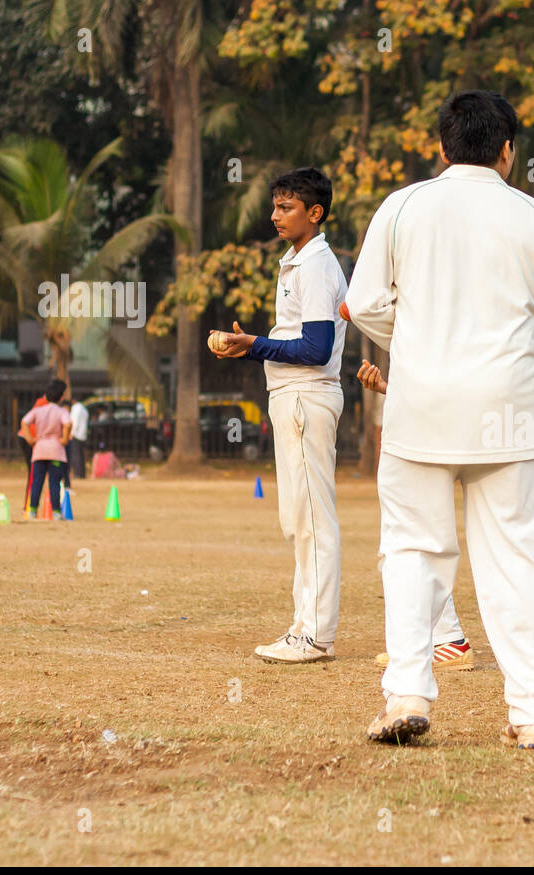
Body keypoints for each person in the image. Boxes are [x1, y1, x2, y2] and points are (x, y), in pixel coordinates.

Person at [344, 90, 534, 750]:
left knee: (412, 552)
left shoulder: (401, 208)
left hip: (420, 404)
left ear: (440, 146)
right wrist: (517, 349)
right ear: (509, 150)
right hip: (508, 408)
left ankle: (407, 692)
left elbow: (363, 302)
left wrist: (421, 342)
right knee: (517, 560)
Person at [210, 167, 348, 665]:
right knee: (297, 517)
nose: (275, 215)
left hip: (306, 396)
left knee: (311, 518)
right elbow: (295, 341)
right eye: (274, 206)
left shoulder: (315, 266)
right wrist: (248, 350)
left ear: (315, 213)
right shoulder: (296, 262)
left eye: (286, 207)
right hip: (291, 396)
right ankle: (304, 628)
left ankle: (314, 635)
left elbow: (315, 348)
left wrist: (252, 344)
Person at [357, 358, 475, 671]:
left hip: (429, 429)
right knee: (411, 537)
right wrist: (386, 388)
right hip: (438, 420)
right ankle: (435, 639)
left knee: (407, 540)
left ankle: (443, 639)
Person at [20, 380, 73, 519]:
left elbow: (24, 422)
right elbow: (68, 424)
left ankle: (32, 511)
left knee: (37, 480)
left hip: (39, 449)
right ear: (61, 397)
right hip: (56, 450)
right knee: (54, 482)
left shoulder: (38, 411)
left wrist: (30, 439)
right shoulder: (61, 411)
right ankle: (56, 512)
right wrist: (65, 439)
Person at [69, 394, 89, 480]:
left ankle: (77, 473)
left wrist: (71, 433)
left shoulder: (75, 408)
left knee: (75, 455)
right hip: (83, 435)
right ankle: (82, 473)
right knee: (81, 455)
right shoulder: (84, 409)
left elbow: (75, 422)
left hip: (76, 434)